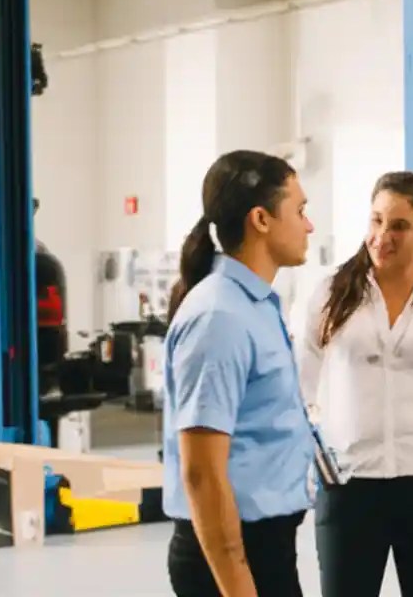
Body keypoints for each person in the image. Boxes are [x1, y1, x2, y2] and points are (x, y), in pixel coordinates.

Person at [295, 171, 413, 597]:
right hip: (348, 486)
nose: (383, 236)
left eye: (399, 226)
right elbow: (299, 386)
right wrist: (312, 461)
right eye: (376, 221)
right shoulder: (331, 292)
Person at [162, 149, 316, 597]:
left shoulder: (254, 304)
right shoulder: (219, 317)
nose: (308, 225)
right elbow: (202, 473)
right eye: (300, 211)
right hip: (230, 558)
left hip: (264, 547)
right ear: (261, 220)